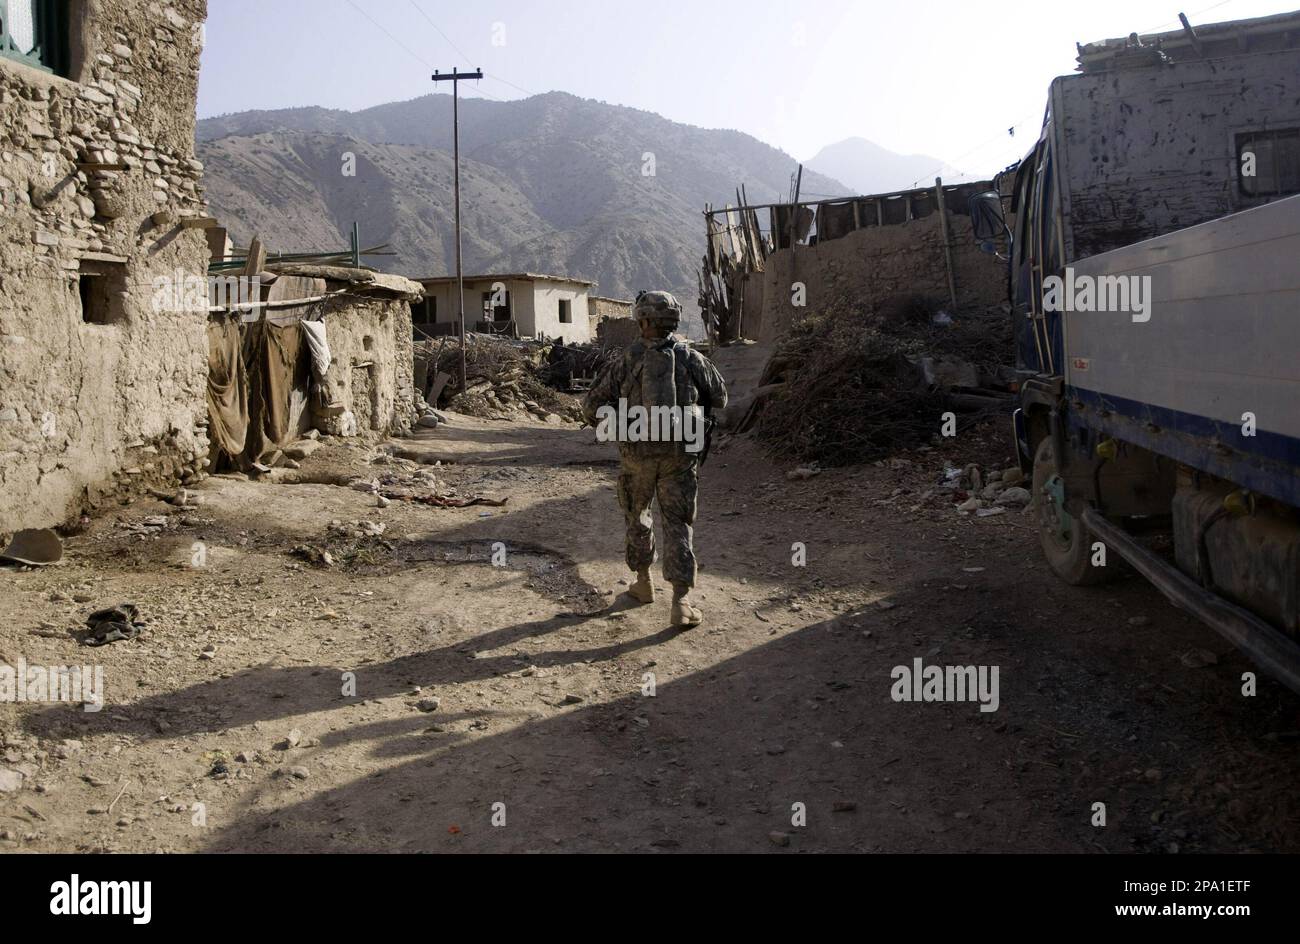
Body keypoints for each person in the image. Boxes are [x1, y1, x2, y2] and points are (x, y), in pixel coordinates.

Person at [582, 291, 728, 627]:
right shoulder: (692, 357)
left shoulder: (627, 359)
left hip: (637, 456)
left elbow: (591, 408)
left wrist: (615, 417)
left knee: (638, 516)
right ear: (673, 320)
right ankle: (682, 602)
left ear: (642, 320)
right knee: (678, 523)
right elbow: (720, 396)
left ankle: (643, 583)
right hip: (680, 456)